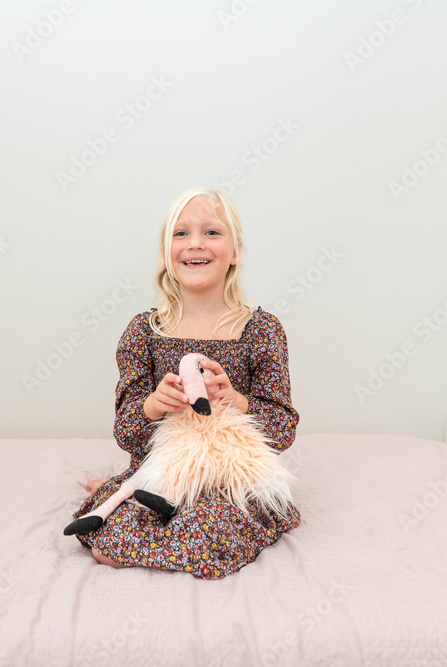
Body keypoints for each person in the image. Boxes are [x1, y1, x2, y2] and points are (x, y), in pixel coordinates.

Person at [69, 186, 300, 580]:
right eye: (180, 233)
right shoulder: (144, 332)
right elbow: (126, 432)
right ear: (165, 252)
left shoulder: (259, 330)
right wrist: (155, 405)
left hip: (228, 481)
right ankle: (120, 490)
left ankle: (137, 503)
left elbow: (281, 430)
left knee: (210, 533)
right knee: (108, 544)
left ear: (235, 251)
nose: (196, 243)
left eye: (212, 232)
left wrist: (234, 401)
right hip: (162, 477)